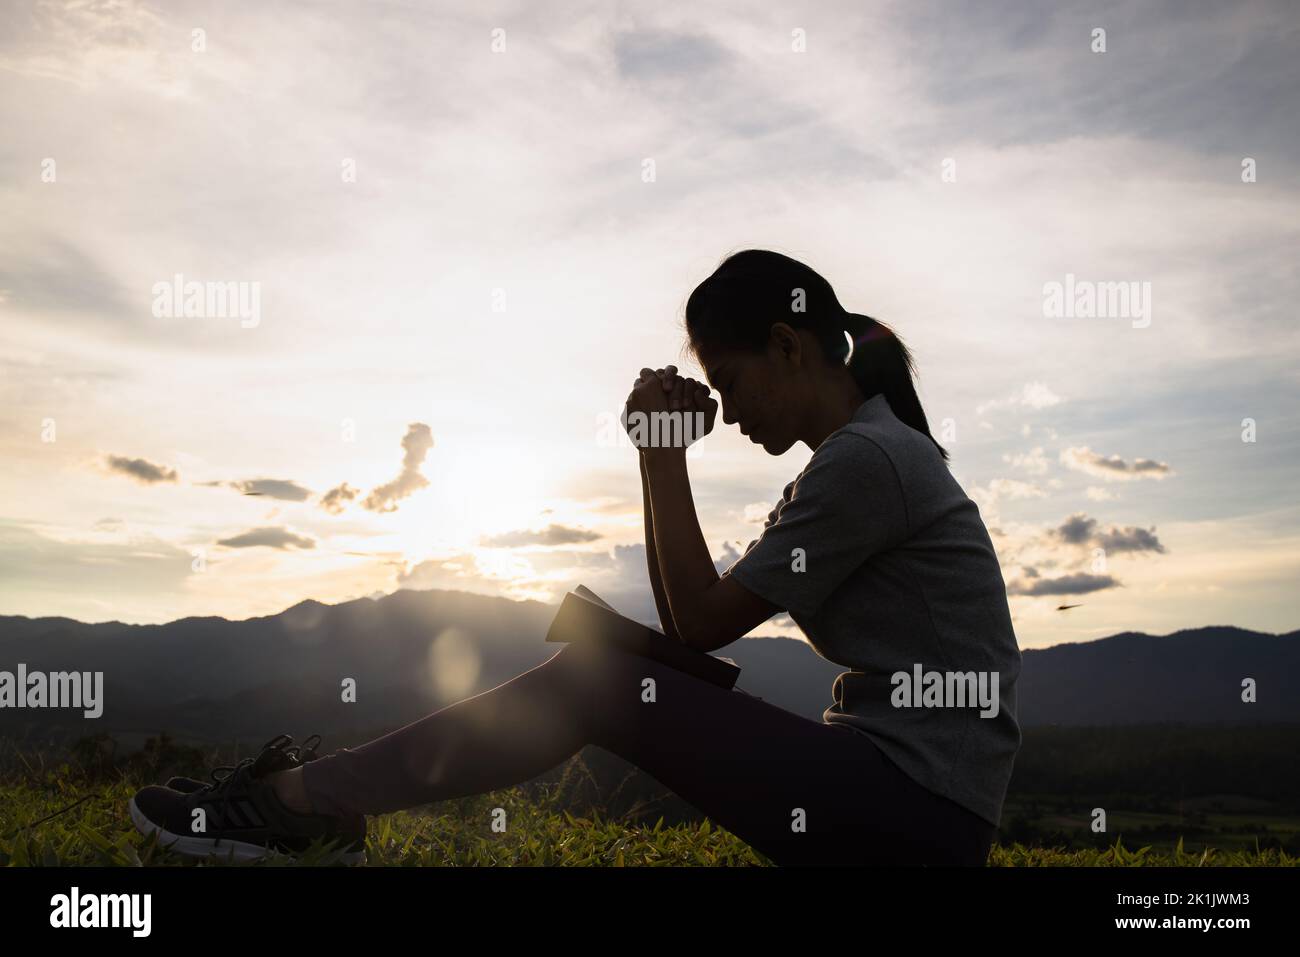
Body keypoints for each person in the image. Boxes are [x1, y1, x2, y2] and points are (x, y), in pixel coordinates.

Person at [129, 248, 1021, 867]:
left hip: (917, 813)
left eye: (731, 383)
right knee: (608, 667)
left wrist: (663, 453)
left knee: (597, 680)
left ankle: (298, 807)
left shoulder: (868, 460)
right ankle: (310, 803)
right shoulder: (861, 454)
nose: (734, 410)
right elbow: (691, 621)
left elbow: (700, 622)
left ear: (788, 346)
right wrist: (656, 451)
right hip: (911, 806)